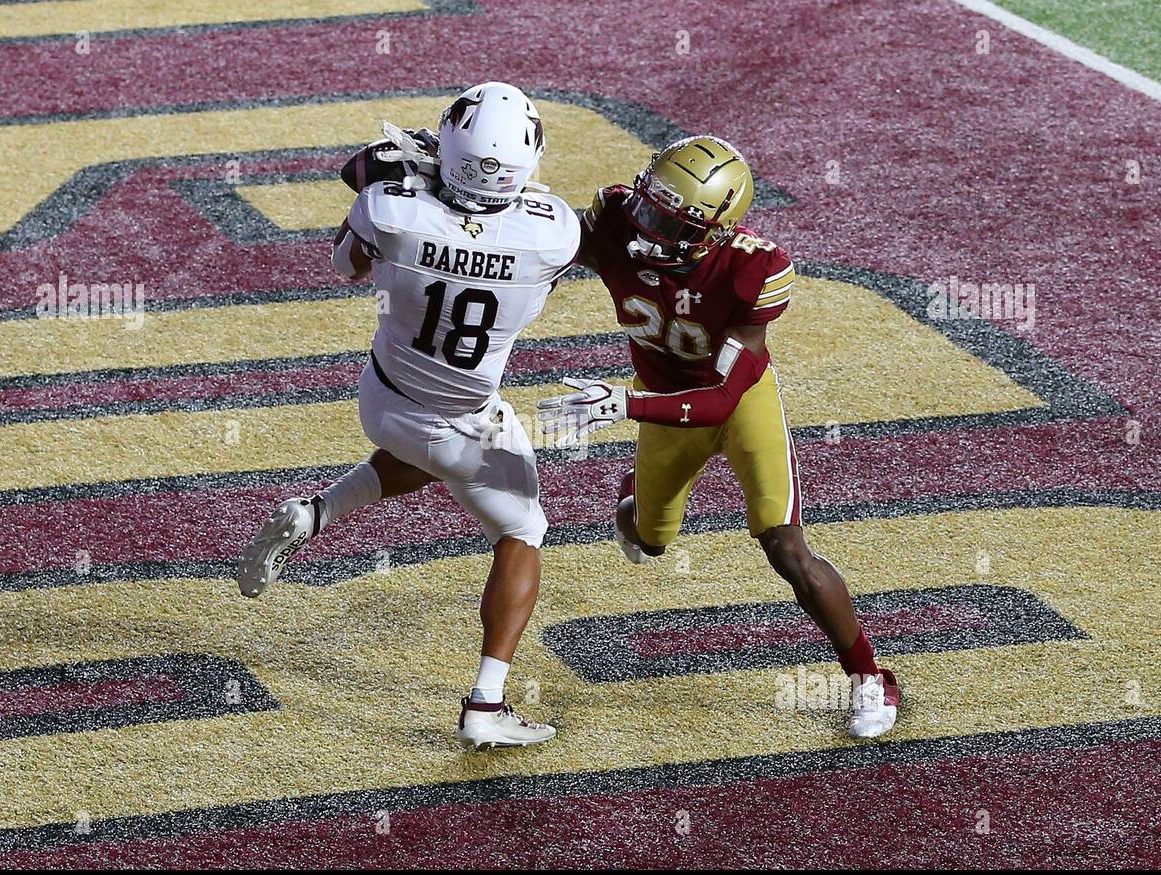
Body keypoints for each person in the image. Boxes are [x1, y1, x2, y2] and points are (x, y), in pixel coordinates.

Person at [236, 82, 580, 749]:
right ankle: (486, 703)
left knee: (434, 453)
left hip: (384, 397)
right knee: (525, 528)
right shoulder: (553, 233)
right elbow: (539, 245)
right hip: (465, 414)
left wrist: (414, 173)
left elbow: (345, 259)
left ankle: (315, 513)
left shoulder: (389, 212)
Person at [536, 135, 899, 737]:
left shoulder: (753, 268)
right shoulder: (614, 217)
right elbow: (539, 246)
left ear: (713, 231)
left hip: (733, 404)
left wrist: (624, 404)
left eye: (666, 222)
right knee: (649, 542)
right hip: (659, 401)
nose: (644, 228)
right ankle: (635, 498)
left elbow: (719, 401)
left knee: (785, 547)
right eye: (648, 207)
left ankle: (869, 677)